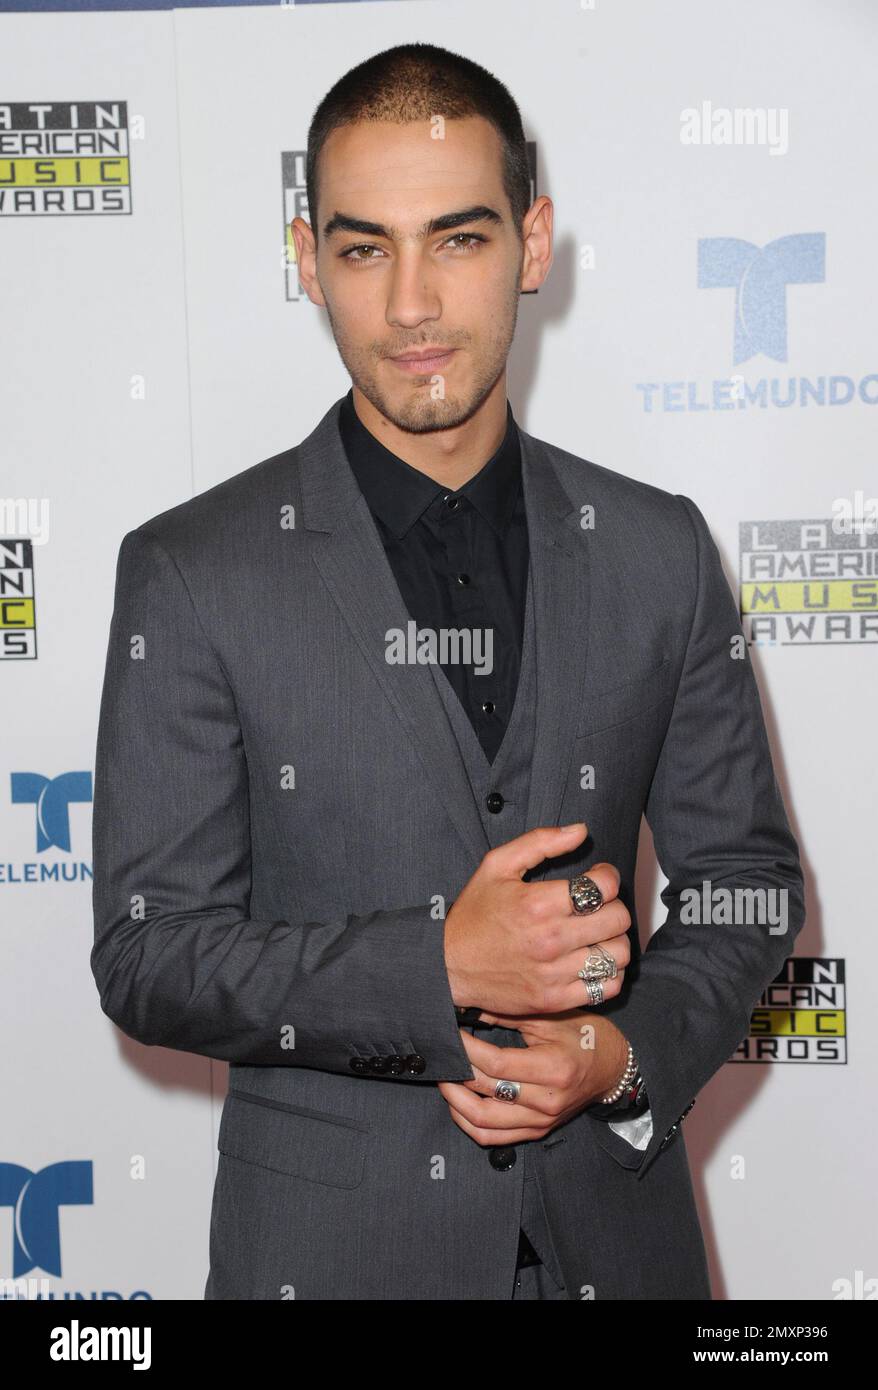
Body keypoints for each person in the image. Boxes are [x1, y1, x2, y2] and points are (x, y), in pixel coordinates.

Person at [91, 42, 805, 1300]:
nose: (412, 305)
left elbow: (743, 881)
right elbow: (149, 954)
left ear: (532, 246)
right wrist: (435, 968)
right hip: (328, 1262)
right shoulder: (192, 571)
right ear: (307, 259)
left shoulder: (657, 549)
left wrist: (619, 1055)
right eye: (364, 249)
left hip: (620, 1253)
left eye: (458, 239)